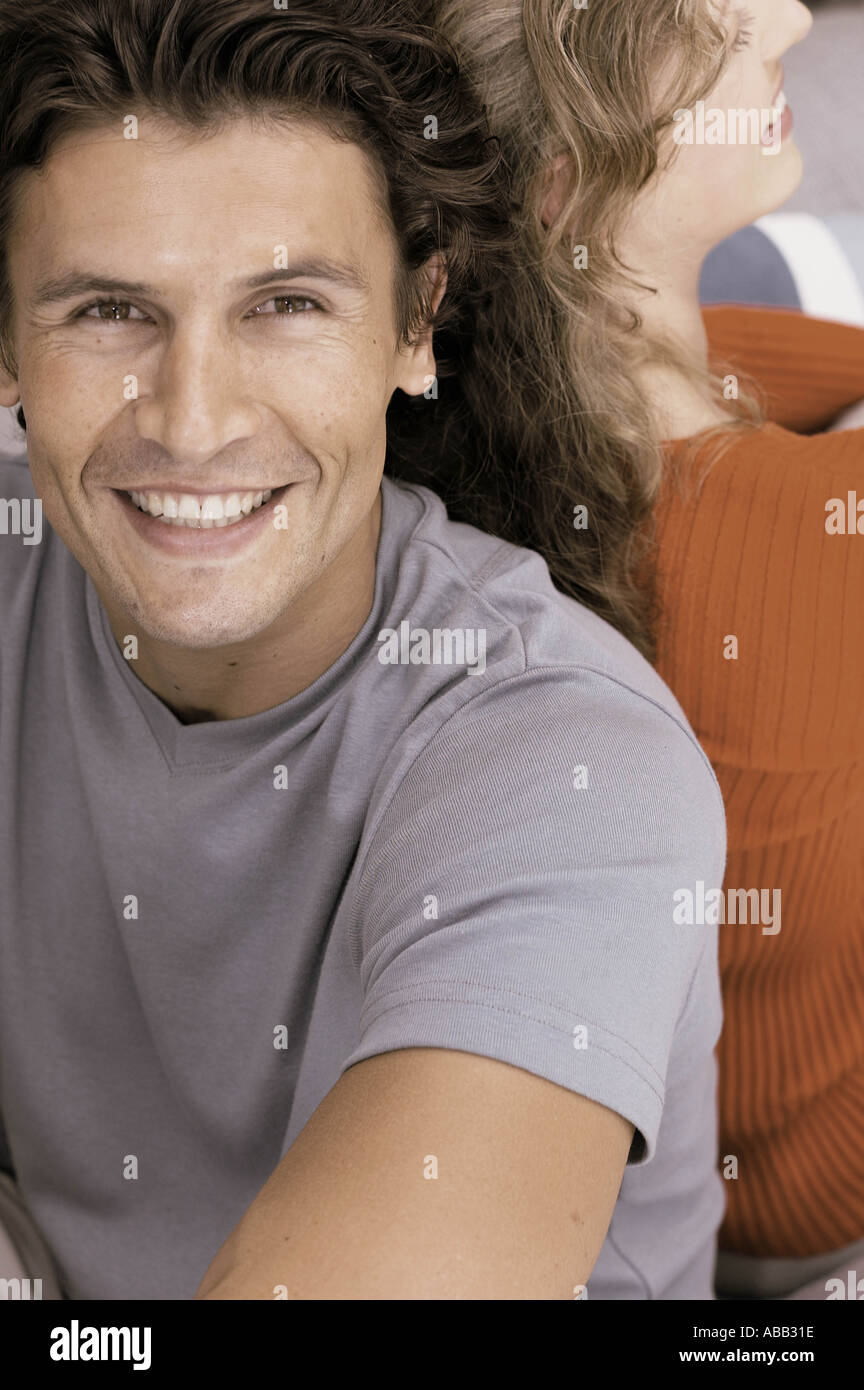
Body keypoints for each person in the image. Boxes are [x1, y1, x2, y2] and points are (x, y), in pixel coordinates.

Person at [0, 0, 726, 1300]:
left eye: (285, 303)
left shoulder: (568, 763)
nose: (195, 417)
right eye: (111, 310)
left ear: (414, 322)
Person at [435, 0, 864, 1298]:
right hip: (815, 1188)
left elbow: (779, 372)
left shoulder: (512, 394)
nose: (787, 21)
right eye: (716, 32)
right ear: (566, 188)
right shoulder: (803, 539)